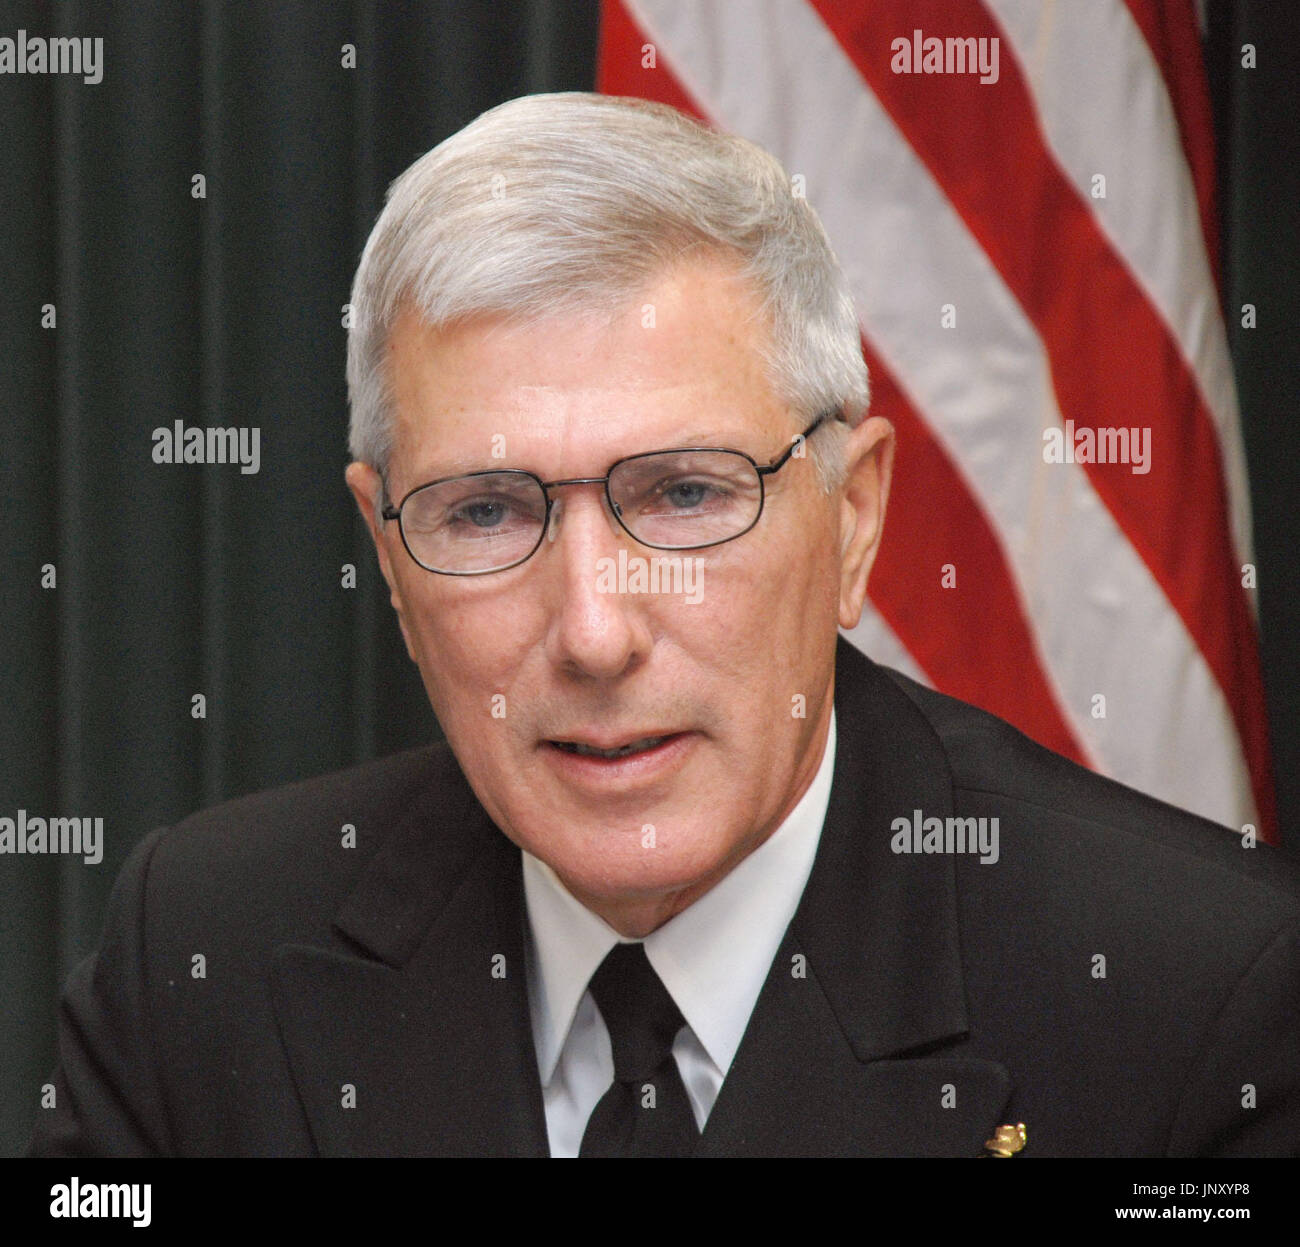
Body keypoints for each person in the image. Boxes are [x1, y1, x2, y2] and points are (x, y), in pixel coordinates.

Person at [30, 92, 1300, 1158]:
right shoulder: (198, 959)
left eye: (685, 494)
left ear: (852, 519)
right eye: (484, 511)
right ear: (389, 560)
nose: (593, 632)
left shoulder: (1200, 1003)